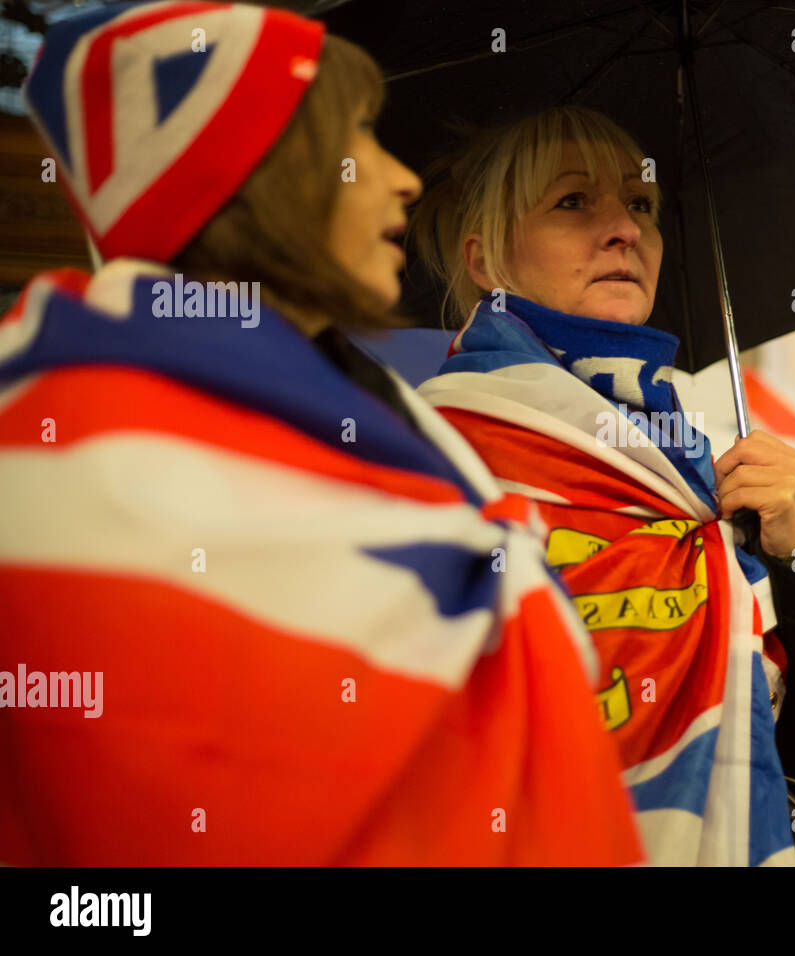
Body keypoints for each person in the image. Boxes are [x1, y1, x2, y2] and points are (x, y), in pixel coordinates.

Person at [0, 2, 640, 866]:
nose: (406, 179)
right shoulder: (85, 436)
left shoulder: (364, 411)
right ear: (261, 174)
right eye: (362, 137)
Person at [410, 105, 795, 866]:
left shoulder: (690, 467)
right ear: (485, 261)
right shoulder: (439, 453)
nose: (624, 229)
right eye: (573, 202)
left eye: (640, 204)